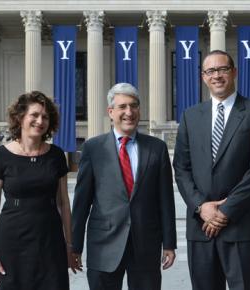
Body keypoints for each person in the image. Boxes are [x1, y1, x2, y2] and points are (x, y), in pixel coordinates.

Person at [173, 50, 250, 290]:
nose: (216, 76)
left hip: (241, 226)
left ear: (234, 73)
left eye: (222, 69)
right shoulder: (190, 116)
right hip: (201, 228)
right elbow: (181, 168)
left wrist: (225, 211)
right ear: (203, 77)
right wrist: (201, 207)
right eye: (210, 71)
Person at [71, 83, 177, 290]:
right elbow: (81, 202)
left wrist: (170, 243)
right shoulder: (93, 148)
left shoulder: (157, 148)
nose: (129, 112)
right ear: (111, 112)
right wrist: (74, 246)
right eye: (122, 107)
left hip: (145, 244)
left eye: (134, 106)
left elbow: (165, 200)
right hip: (103, 245)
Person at [0, 91, 76, 289]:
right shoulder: (0, 156)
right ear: (20, 117)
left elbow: (64, 203)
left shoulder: (57, 155)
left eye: (45, 116)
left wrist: (70, 245)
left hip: (50, 239)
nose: (40, 120)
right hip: (12, 240)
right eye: (34, 115)